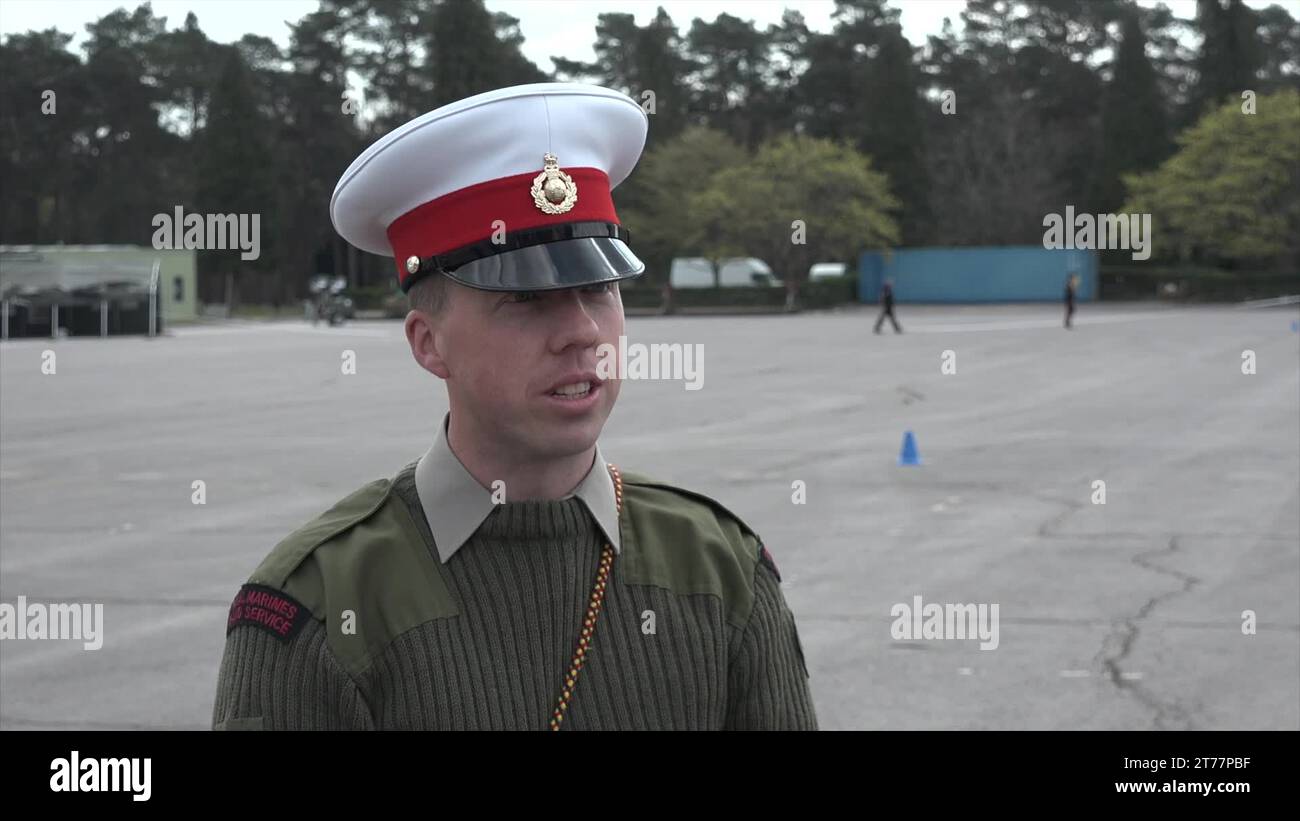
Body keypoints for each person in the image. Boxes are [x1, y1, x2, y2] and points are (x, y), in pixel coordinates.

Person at [210, 83, 817, 731]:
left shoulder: (721, 571)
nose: (582, 331)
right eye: (527, 299)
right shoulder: (316, 609)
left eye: (599, 287)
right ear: (428, 342)